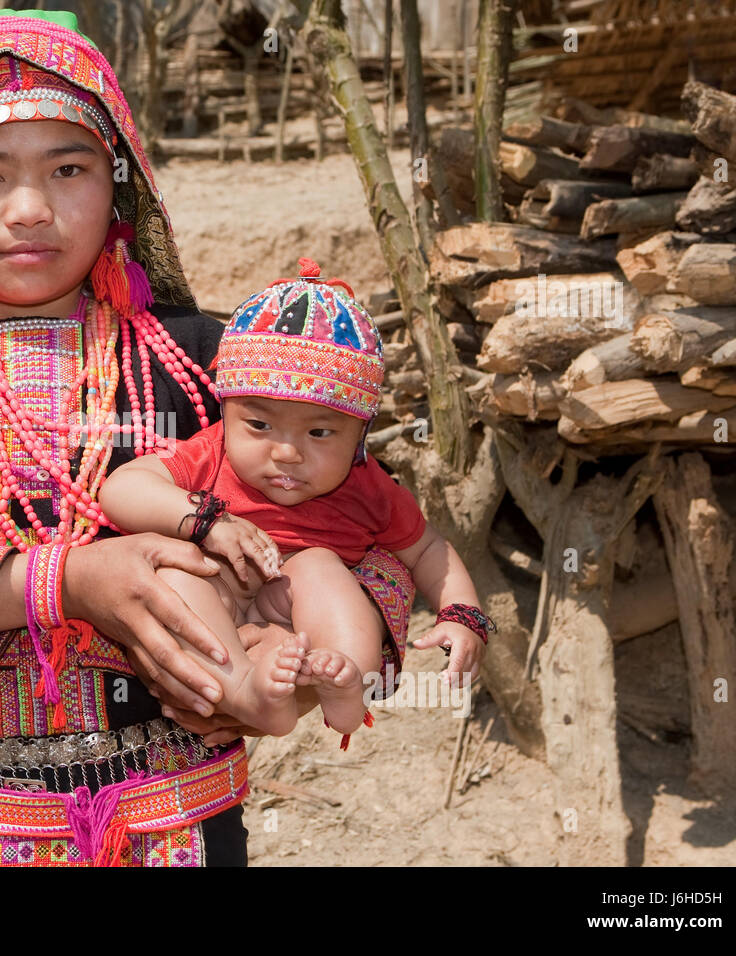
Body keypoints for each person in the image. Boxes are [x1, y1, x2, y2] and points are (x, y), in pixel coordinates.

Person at [0, 10, 420, 867]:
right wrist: (63, 582)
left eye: (68, 168)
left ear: (118, 183)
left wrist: (307, 662)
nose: (30, 210)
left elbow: (380, 538)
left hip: (181, 821)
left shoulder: (207, 361)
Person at [99, 260, 494, 741]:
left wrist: (461, 613)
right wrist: (205, 522)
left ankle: (347, 681)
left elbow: (429, 550)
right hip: (219, 596)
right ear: (227, 409)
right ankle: (248, 692)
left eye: (321, 432)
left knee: (321, 567)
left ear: (360, 436)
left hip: (296, 621)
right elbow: (121, 488)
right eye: (259, 425)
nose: (286, 452)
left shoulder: (367, 485)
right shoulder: (211, 452)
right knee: (179, 573)